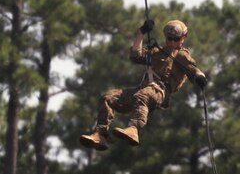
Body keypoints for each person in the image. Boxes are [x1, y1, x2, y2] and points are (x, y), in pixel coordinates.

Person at [78, 18, 208, 150]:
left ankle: (134, 129)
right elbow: (135, 55)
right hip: (143, 89)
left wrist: (200, 77)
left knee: (143, 96)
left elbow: (193, 69)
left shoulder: (181, 55)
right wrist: (142, 32)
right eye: (169, 38)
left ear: (183, 38)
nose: (172, 42)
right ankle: (100, 134)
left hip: (159, 92)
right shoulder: (157, 52)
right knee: (108, 97)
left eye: (176, 39)